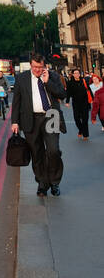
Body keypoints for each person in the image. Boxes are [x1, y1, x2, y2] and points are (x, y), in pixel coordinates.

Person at [10, 53, 69, 197]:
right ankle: (42, 184)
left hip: (51, 116)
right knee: (37, 153)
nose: (37, 70)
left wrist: (47, 82)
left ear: (44, 66)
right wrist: (15, 121)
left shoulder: (53, 76)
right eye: (35, 67)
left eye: (40, 67)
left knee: (53, 151)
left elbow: (62, 94)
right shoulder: (21, 78)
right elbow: (16, 101)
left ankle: (54, 182)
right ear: (31, 65)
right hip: (30, 119)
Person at [66, 69, 91, 139]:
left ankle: (85, 135)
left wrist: (91, 99)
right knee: (76, 118)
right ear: (73, 74)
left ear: (80, 74)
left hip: (85, 102)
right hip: (76, 103)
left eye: (78, 73)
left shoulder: (84, 81)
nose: (77, 74)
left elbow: (89, 90)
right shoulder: (70, 83)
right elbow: (68, 93)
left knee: (85, 119)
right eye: (75, 73)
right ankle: (81, 130)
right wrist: (67, 101)